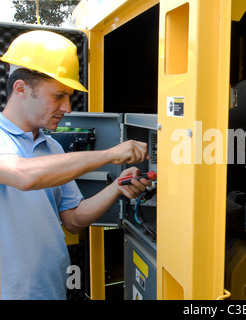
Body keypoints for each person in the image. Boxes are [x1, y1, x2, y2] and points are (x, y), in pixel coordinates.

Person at [0, 30, 151, 299]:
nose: (68, 107)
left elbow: (74, 219)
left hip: (52, 291)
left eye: (69, 96)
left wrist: (117, 186)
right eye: (58, 96)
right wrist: (110, 154)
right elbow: (24, 175)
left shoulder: (52, 148)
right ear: (20, 89)